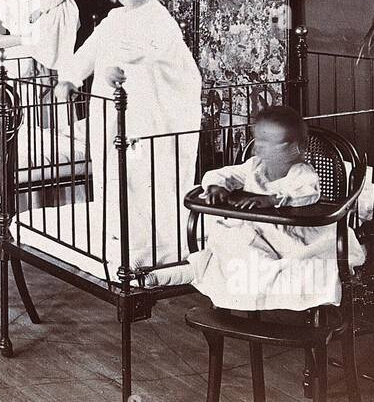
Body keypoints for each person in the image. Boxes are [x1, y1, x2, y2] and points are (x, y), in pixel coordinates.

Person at [54, 0, 202, 270]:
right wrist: (70, 78)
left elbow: (150, 52)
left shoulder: (161, 20)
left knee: (149, 174)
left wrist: (124, 68)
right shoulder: (113, 18)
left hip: (154, 114)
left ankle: (157, 247)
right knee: (112, 170)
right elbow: (90, 50)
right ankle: (118, 237)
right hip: (114, 111)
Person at [146, 106, 363, 310]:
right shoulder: (254, 167)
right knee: (229, 244)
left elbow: (306, 193)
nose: (260, 146)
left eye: (270, 142)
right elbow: (224, 173)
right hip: (256, 232)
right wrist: (216, 187)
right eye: (258, 140)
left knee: (274, 266)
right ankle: (190, 271)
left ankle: (202, 272)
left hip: (288, 237)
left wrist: (271, 200)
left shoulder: (302, 172)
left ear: (296, 147)